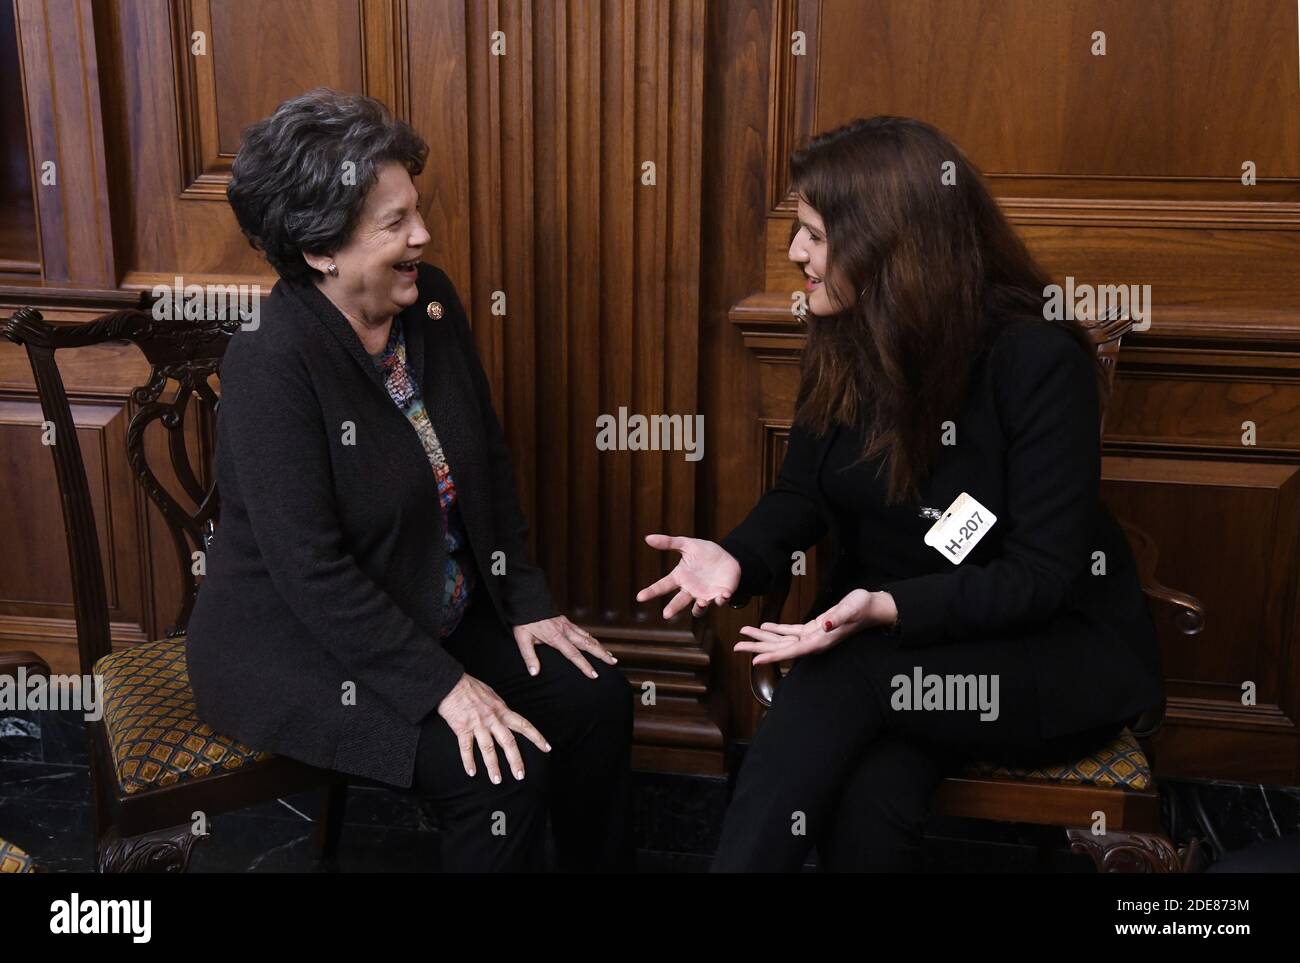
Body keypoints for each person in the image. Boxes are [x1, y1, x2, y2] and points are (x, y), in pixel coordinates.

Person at [637, 116, 1163, 872]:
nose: (794, 254)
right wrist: (736, 558)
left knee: (844, 675)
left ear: (889, 243)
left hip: (1035, 662)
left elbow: (1041, 579)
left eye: (814, 235)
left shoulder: (1037, 359)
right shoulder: (848, 331)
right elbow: (802, 495)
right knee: (870, 800)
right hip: (897, 663)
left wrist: (886, 607)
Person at [187, 88, 633, 872]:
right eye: (395, 224)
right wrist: (443, 686)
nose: (423, 236)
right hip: (304, 649)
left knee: (594, 696)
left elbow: (486, 462)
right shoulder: (271, 360)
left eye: (415, 211)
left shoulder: (430, 305)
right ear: (322, 247)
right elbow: (311, 572)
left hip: (430, 604)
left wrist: (526, 602)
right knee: (498, 773)